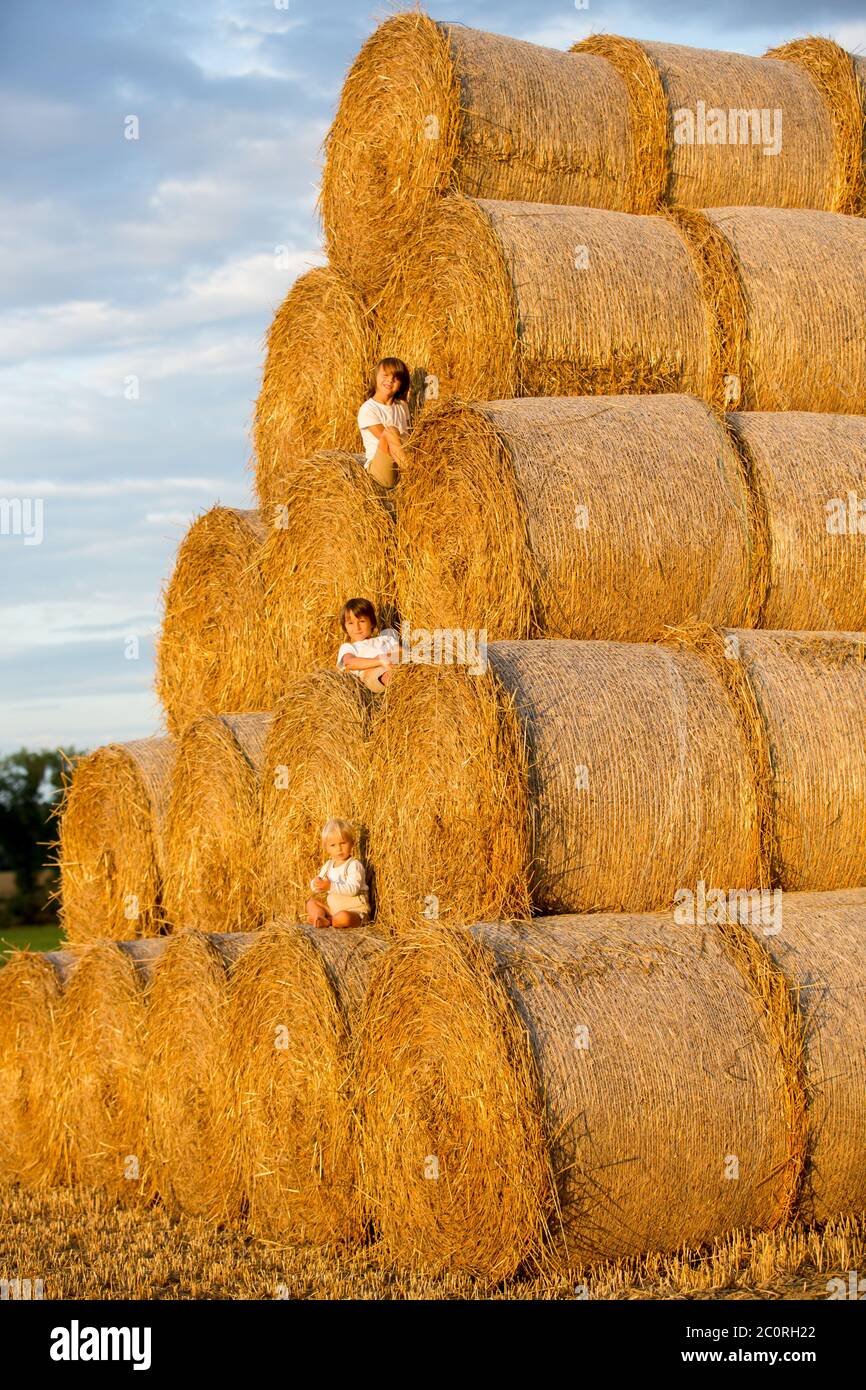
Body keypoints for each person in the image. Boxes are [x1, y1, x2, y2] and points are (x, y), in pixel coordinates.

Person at [306, 818, 370, 929]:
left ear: (352, 843)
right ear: (326, 848)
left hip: (354, 912)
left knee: (343, 918)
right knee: (310, 903)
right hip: (334, 910)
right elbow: (317, 887)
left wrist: (330, 886)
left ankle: (328, 921)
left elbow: (353, 889)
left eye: (343, 843)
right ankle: (320, 917)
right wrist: (316, 883)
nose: (339, 849)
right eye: (333, 845)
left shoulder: (354, 865)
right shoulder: (328, 865)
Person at [357, 357, 410, 489]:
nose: (390, 380)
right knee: (390, 432)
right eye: (385, 375)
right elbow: (385, 439)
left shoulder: (402, 406)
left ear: (401, 384)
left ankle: (408, 467)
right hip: (379, 472)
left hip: (399, 468)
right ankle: (412, 471)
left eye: (396, 377)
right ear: (375, 377)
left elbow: (410, 437)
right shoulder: (368, 409)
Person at [337, 596, 399, 692]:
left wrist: (388, 658)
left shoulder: (385, 639)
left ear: (372, 623)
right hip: (369, 676)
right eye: (351, 623)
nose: (357, 627)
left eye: (362, 621)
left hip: (390, 667)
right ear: (345, 627)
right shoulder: (349, 647)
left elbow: (402, 652)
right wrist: (379, 660)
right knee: (376, 675)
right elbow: (349, 662)